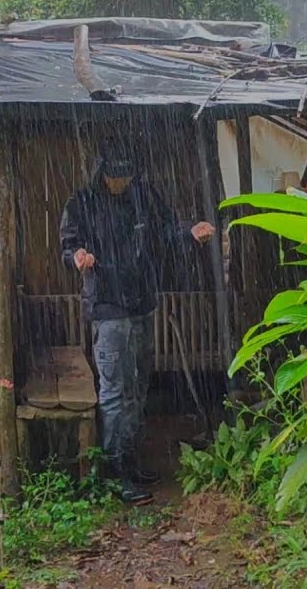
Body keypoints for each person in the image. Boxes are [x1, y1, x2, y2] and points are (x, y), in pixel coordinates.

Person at [59, 145, 215, 503]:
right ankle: (116, 474)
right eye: (115, 176)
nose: (121, 182)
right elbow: (68, 247)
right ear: (102, 172)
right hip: (108, 307)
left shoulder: (144, 197)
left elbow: (167, 230)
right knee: (115, 392)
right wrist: (79, 258)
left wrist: (191, 232)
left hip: (143, 303)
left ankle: (131, 461)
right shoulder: (82, 203)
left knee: (139, 388)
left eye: (127, 176)